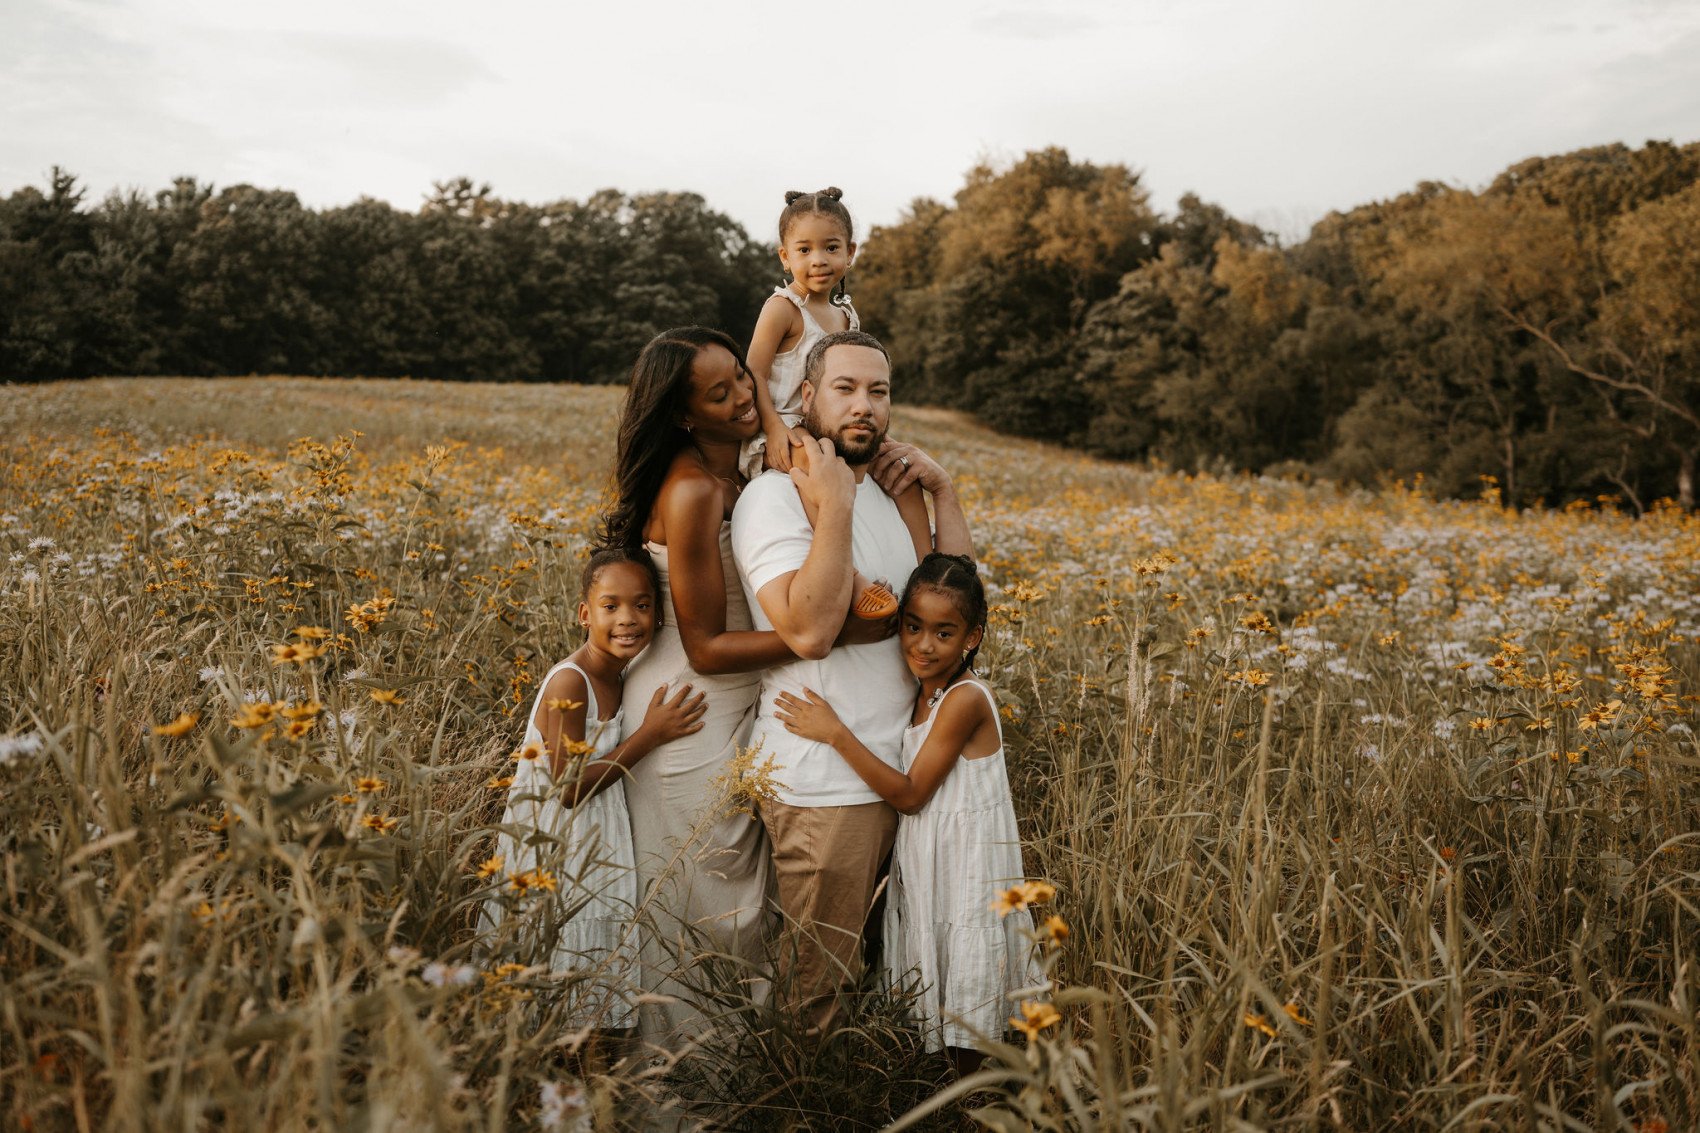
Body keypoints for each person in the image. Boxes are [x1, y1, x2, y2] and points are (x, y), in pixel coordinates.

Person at [602, 327, 887, 1050]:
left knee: (735, 897)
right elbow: (704, 645)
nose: (741, 397)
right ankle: (673, 1086)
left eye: (742, 378)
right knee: (697, 901)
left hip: (736, 706)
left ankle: (731, 1068)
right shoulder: (695, 487)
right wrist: (821, 633)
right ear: (683, 414)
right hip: (688, 706)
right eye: (718, 391)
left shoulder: (749, 468)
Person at [730, 328, 973, 1031]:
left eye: (879, 390)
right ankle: (802, 1104)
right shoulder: (776, 499)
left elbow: (954, 603)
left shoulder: (888, 497)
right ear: (807, 396)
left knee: (868, 974)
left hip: (895, 769)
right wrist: (832, 502)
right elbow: (806, 631)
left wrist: (942, 490)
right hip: (823, 783)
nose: (864, 404)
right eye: (845, 388)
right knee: (818, 991)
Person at [773, 552, 1038, 1075]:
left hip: (967, 867)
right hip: (932, 860)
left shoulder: (964, 699)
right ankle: (948, 1098)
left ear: (972, 637)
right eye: (913, 627)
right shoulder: (924, 691)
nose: (922, 644)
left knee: (969, 996)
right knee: (940, 985)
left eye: (944, 633)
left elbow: (913, 794)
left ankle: (979, 1105)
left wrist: (834, 733)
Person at [486, 547, 706, 1040]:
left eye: (643, 605)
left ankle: (591, 1081)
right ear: (585, 614)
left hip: (591, 843)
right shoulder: (573, 679)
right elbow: (566, 788)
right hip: (556, 851)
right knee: (556, 978)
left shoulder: (617, 674)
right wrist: (651, 733)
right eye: (611, 606)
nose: (628, 619)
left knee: (590, 979)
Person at [745, 187, 931, 620]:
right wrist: (773, 429)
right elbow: (752, 372)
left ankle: (928, 568)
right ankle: (853, 579)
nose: (818, 260)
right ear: (784, 256)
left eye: (830, 248)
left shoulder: (847, 315)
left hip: (832, 423)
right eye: (804, 249)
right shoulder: (782, 308)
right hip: (789, 425)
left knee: (898, 467)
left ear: (850, 253)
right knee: (817, 472)